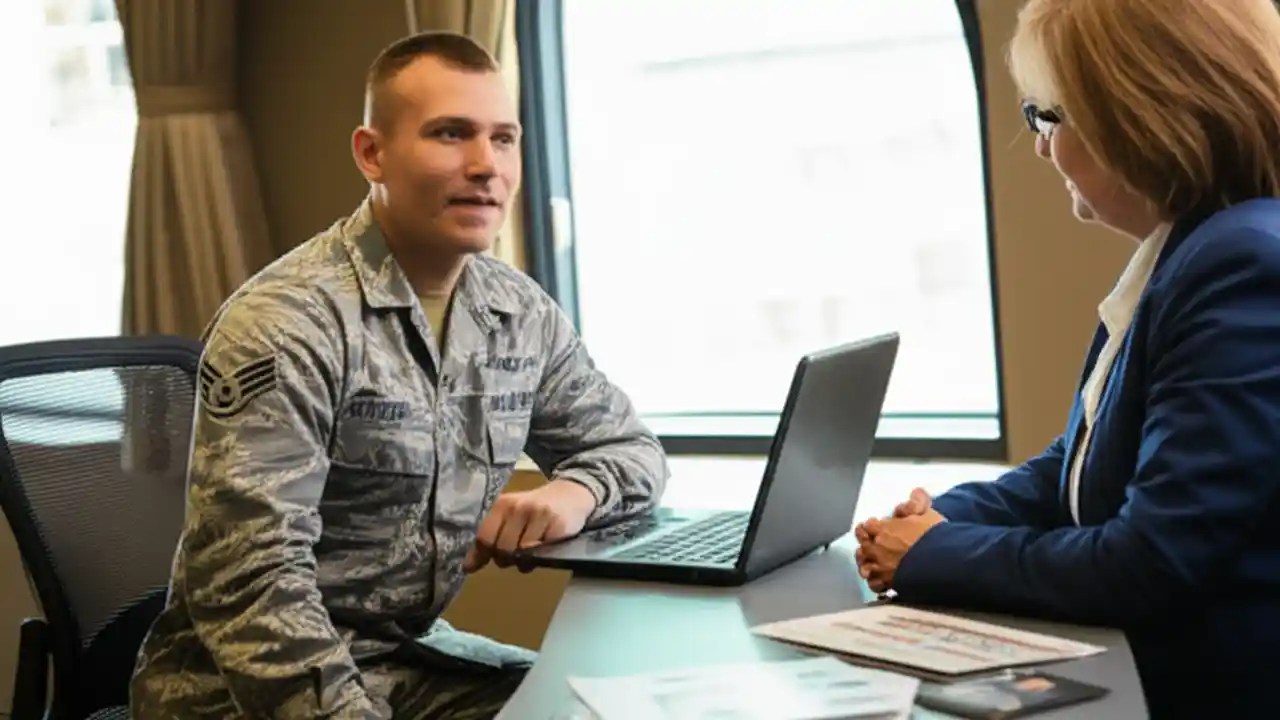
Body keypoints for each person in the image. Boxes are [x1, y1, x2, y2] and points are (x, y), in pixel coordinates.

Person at [130, 31, 668, 719]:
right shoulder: (287, 323)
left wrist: (578, 491)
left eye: (504, 139)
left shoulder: (516, 311)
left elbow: (633, 452)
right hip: (240, 696)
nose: (486, 165)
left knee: (604, 706)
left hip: (405, 662)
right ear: (372, 153)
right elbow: (251, 587)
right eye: (451, 134)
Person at [855, 0, 1280, 717]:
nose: (1044, 148)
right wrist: (938, 521)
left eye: (1048, 117)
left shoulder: (1237, 262)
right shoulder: (1193, 248)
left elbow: (1149, 562)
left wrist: (932, 555)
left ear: (1134, 115)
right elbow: (1084, 467)